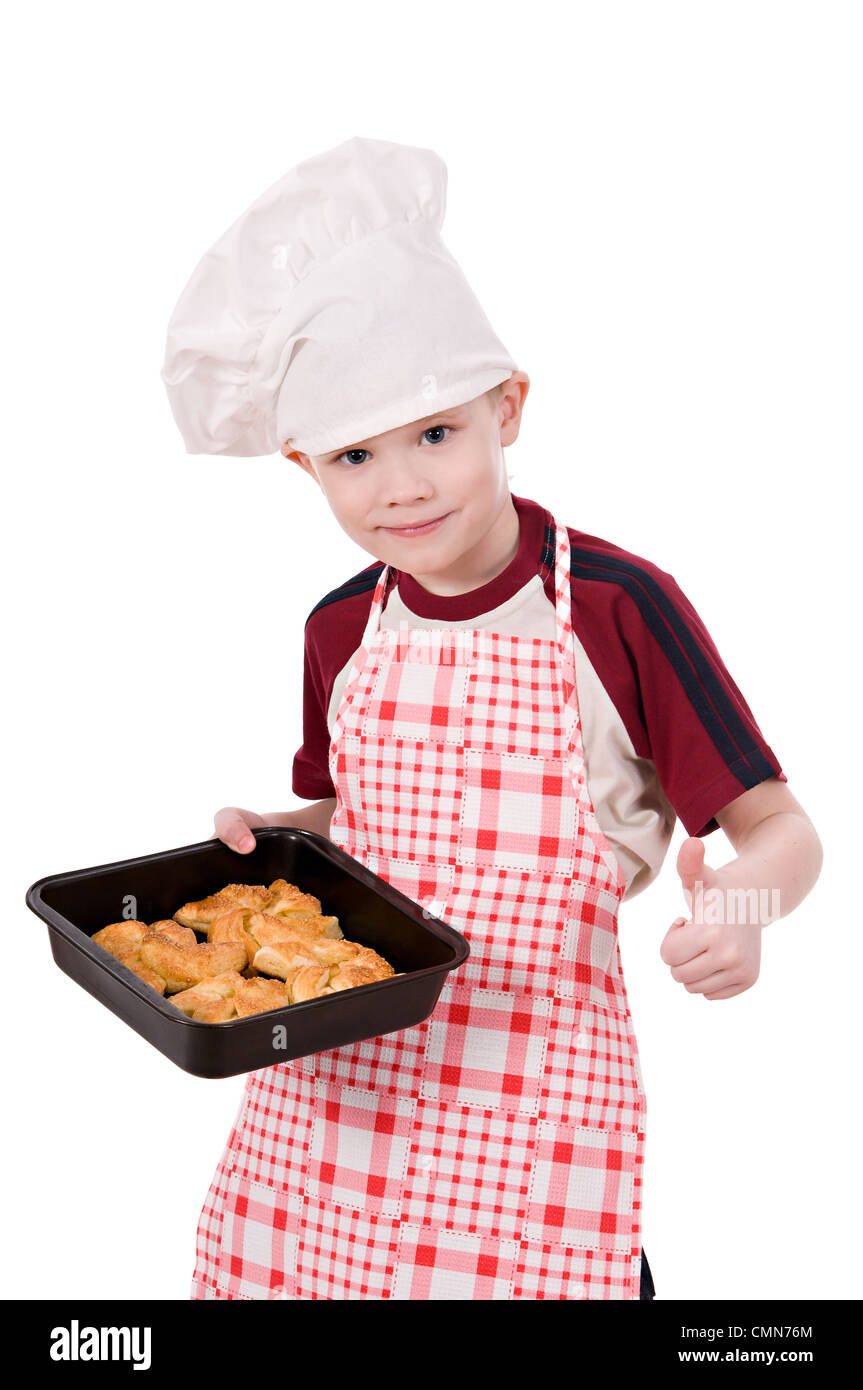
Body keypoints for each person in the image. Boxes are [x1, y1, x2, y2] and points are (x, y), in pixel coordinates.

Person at [161, 137, 822, 1301]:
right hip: (339, 1083)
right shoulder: (337, 629)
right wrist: (274, 836)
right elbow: (339, 810)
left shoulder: (618, 610)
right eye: (355, 455)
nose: (402, 486)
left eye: (434, 432)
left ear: (506, 407)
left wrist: (749, 909)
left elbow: (777, 825)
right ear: (304, 468)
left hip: (530, 1089)